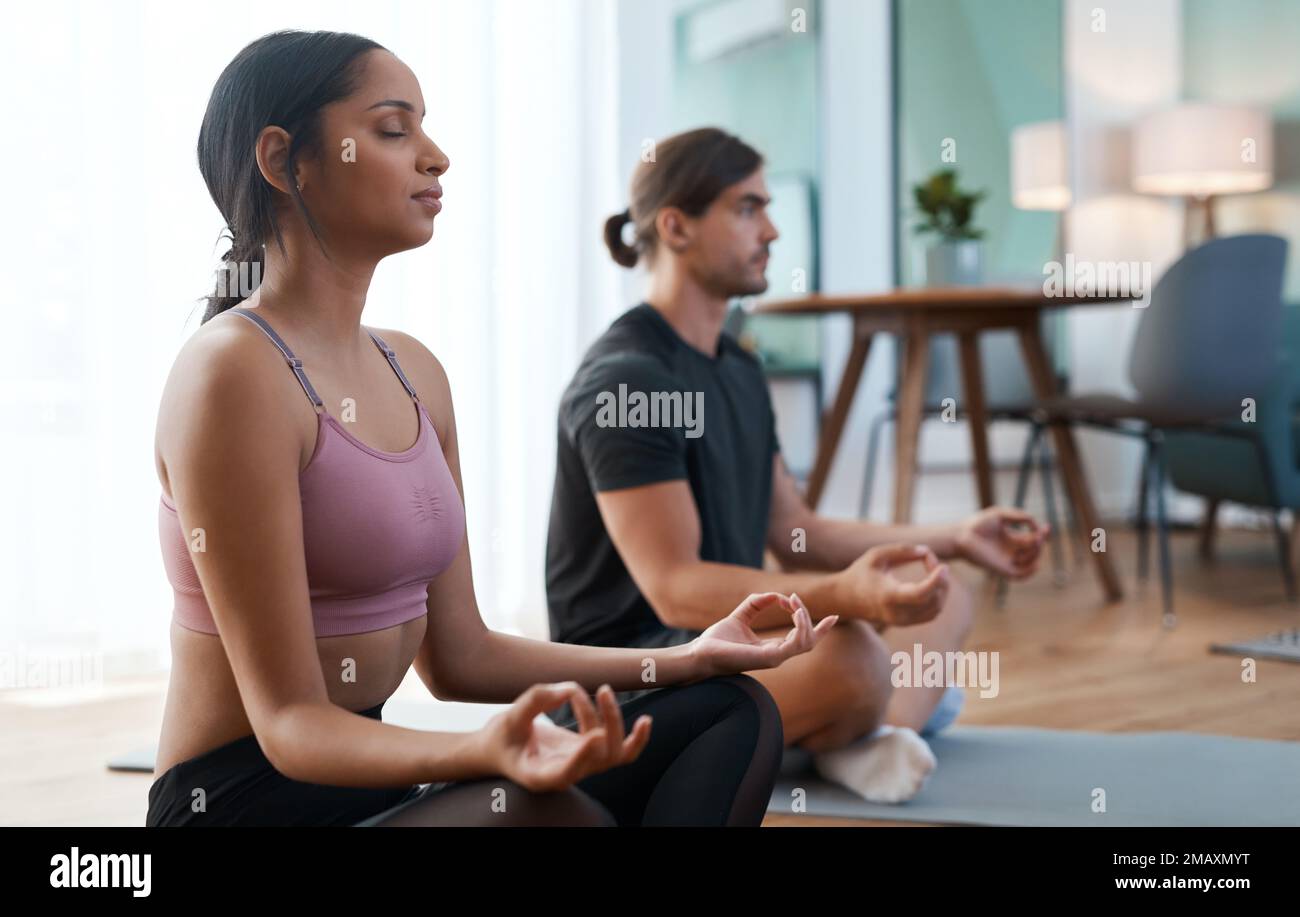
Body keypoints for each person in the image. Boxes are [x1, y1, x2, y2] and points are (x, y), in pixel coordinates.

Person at [149, 32, 834, 828]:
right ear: (285, 159)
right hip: (247, 804)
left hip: (376, 780)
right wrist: (484, 751)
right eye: (394, 130)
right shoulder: (232, 373)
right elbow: (292, 726)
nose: (435, 157)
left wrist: (684, 657)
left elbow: (462, 655)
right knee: (551, 817)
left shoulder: (413, 371)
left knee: (728, 707)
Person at [545, 127, 1050, 804]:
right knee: (855, 656)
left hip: (721, 639)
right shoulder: (627, 383)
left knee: (938, 586)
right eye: (748, 208)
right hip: (635, 678)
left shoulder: (740, 368)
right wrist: (845, 597)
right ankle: (867, 724)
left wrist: (957, 537)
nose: (774, 230)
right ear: (676, 226)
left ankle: (867, 738)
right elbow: (675, 586)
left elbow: (795, 527)